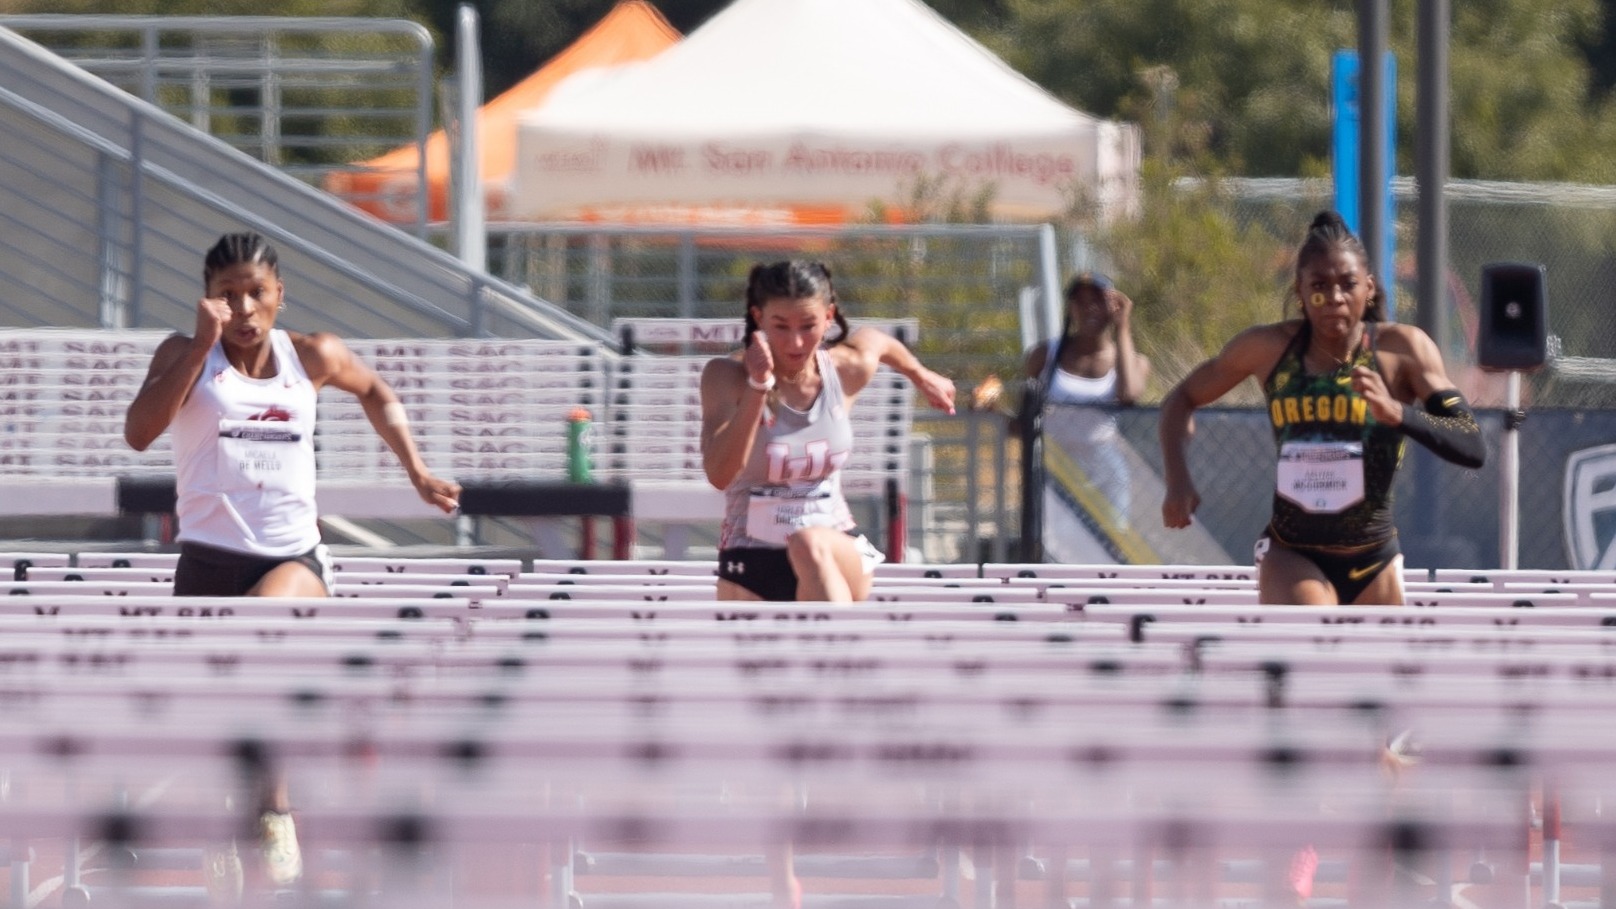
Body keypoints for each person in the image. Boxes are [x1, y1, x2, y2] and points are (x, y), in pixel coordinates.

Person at [123, 231, 461, 892]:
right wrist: (198, 347)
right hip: (206, 566)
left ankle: (272, 808)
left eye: (256, 293)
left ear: (279, 295)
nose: (243, 309)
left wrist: (416, 468)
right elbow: (139, 433)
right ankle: (242, 802)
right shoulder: (185, 354)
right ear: (208, 299)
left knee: (260, 638)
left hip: (293, 559)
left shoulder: (312, 355)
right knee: (234, 702)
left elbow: (377, 392)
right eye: (228, 295)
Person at [1159, 211, 1485, 606]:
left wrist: (1397, 413)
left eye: (1347, 285)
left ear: (1369, 289)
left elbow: (1471, 443)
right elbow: (1182, 398)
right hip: (1293, 552)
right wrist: (1177, 479)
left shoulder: (1403, 351)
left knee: (1378, 666)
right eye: (1319, 286)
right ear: (1300, 291)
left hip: (1373, 556)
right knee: (1316, 631)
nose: (1333, 298)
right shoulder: (1268, 349)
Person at [700, 260, 954, 602]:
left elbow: (876, 341)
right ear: (758, 318)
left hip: (846, 544)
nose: (796, 342)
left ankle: (842, 652)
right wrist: (758, 387)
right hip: (752, 555)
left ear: (829, 317)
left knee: (809, 542)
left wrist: (921, 375)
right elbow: (719, 475)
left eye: (808, 326)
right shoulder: (724, 377)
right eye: (781, 326)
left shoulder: (844, 369)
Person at [1021, 271, 1151, 524]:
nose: (1089, 308)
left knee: (1110, 546)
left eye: (1098, 301)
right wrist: (991, 411)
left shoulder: (1132, 361)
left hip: (1103, 462)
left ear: (1113, 305)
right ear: (1070, 308)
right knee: (1052, 544)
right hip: (1056, 463)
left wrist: (1123, 327)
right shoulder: (1044, 355)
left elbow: (1129, 394)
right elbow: (1023, 419)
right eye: (1080, 301)